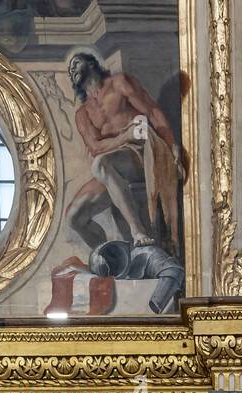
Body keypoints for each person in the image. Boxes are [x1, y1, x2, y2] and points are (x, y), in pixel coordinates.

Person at [67, 51, 184, 255]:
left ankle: (137, 232)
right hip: (114, 161)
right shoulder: (83, 114)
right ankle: (111, 257)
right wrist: (124, 136)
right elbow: (95, 148)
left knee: (101, 165)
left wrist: (172, 145)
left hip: (142, 151)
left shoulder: (119, 83)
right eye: (70, 69)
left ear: (92, 64)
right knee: (74, 217)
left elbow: (152, 111)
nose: (72, 68)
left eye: (76, 63)